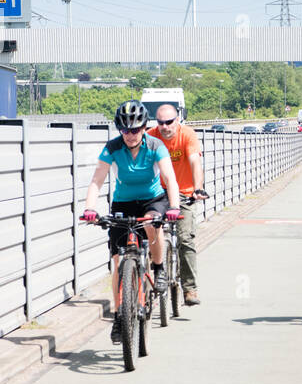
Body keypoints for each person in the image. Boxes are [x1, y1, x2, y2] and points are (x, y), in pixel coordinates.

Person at [81, 100, 182, 343]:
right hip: (123, 203)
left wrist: (174, 206)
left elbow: (169, 177)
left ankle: (158, 267)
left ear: (144, 128)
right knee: (118, 262)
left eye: (135, 129)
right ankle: (118, 316)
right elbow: (97, 180)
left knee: (150, 223)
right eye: (125, 130)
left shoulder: (156, 145)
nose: (130, 135)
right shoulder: (112, 148)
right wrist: (89, 208)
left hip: (152, 199)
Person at [146, 103, 209, 304]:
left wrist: (197, 188)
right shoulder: (150, 136)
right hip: (158, 195)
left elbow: (195, 162)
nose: (165, 127)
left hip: (184, 195)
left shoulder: (188, 135)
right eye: (160, 123)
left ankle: (190, 289)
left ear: (178, 120)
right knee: (148, 233)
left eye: (169, 122)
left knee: (184, 239)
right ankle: (148, 278)